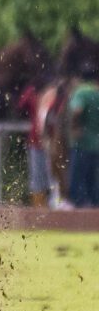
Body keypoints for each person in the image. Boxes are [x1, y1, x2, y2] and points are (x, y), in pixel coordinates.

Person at [67, 65, 99, 207]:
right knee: (94, 182)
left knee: (78, 181)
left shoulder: (80, 92)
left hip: (82, 144)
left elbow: (77, 110)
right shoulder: (97, 93)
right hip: (96, 145)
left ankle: (81, 210)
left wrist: (75, 128)